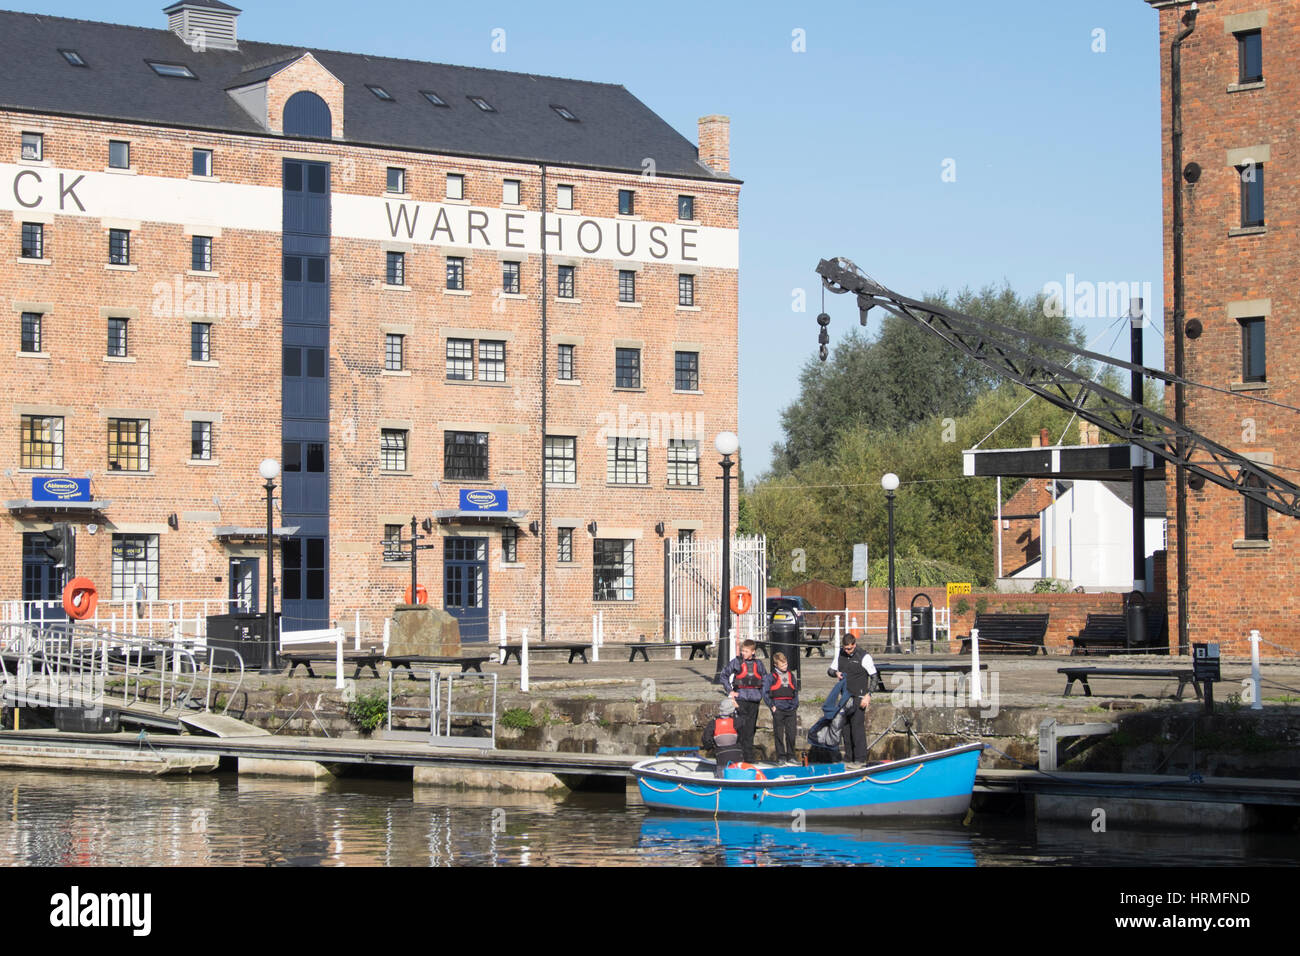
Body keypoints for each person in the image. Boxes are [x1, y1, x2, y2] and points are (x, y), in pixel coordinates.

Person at [829, 632, 878, 764]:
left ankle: (860, 759)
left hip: (859, 697)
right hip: (845, 698)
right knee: (845, 729)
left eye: (849, 648)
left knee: (857, 729)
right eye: (845, 648)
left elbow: (874, 676)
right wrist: (836, 673)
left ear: (854, 645)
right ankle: (849, 758)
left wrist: (868, 696)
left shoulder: (864, 656)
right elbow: (830, 671)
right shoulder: (840, 654)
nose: (847, 651)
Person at [720, 639, 767, 762]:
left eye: (746, 651)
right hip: (741, 700)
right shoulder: (736, 662)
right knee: (741, 728)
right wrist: (730, 691)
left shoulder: (759, 664)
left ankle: (749, 758)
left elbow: (766, 679)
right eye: (742, 651)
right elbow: (724, 675)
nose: (743, 653)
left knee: (750, 729)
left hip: (754, 700)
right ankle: (739, 756)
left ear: (753, 652)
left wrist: (762, 693)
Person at [762, 652, 799, 763]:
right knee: (779, 734)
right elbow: (765, 692)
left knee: (791, 734)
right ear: (776, 665)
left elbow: (795, 691)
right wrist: (772, 706)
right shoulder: (770, 677)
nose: (785, 667)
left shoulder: (791, 675)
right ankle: (781, 757)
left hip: (790, 709)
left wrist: (795, 705)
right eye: (782, 665)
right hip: (778, 709)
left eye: (786, 664)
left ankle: (791, 756)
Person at [701, 697, 742, 778]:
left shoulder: (713, 723)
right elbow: (745, 732)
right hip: (737, 756)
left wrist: (710, 747)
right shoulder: (737, 722)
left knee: (722, 777)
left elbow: (706, 739)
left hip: (721, 757)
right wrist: (738, 709)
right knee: (737, 777)